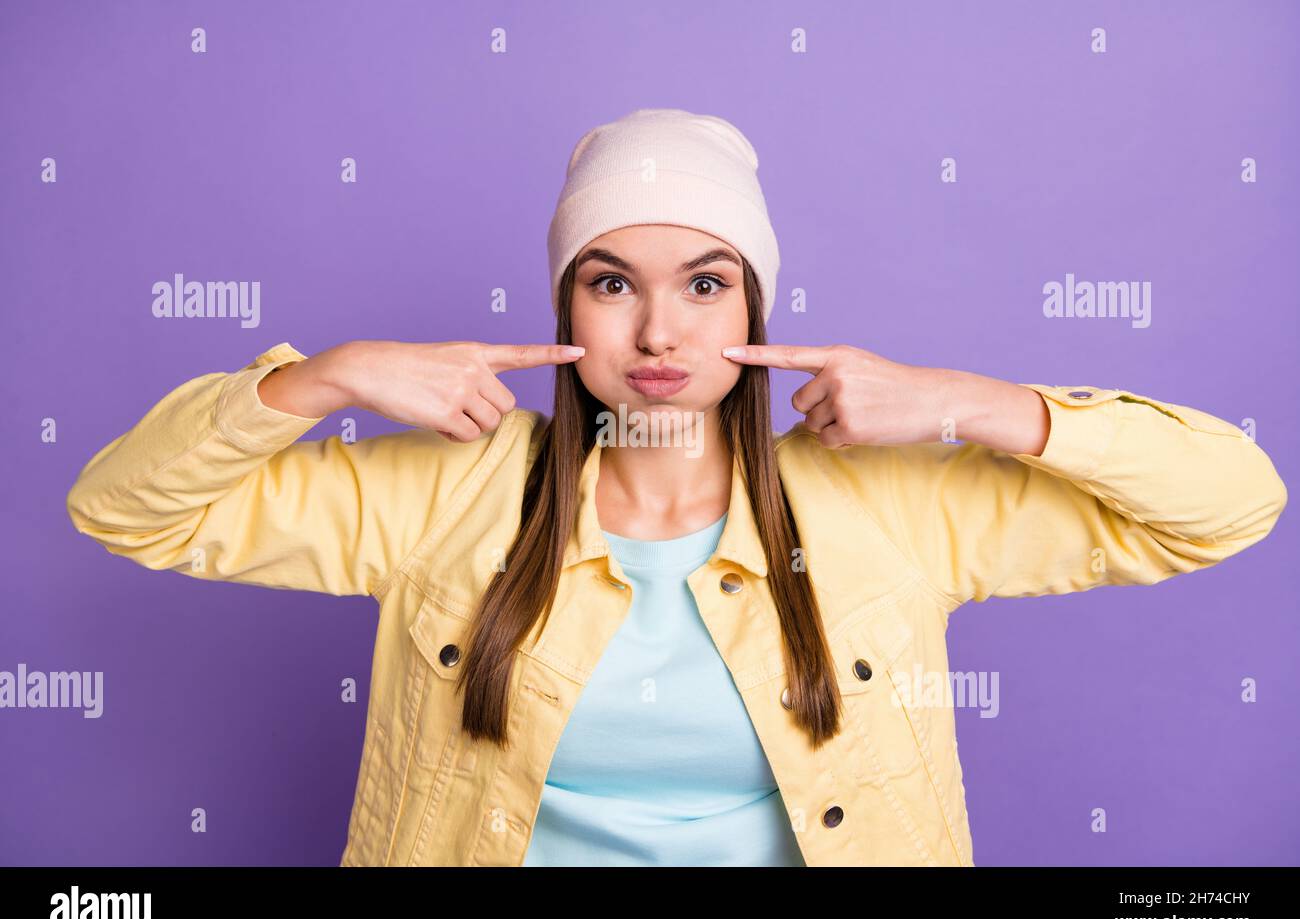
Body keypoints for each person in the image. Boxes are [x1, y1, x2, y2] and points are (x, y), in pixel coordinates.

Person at [65, 108, 1288, 867]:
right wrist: (323, 377)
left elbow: (1231, 498)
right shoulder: (445, 495)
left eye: (705, 282)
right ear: (564, 305)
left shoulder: (888, 504)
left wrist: (967, 404)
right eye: (610, 281)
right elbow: (121, 507)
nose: (658, 327)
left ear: (755, 303)